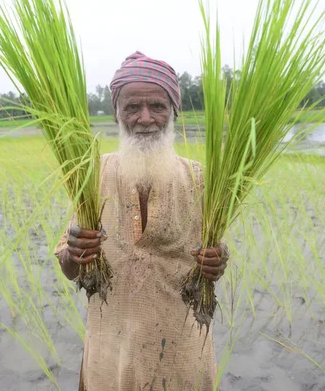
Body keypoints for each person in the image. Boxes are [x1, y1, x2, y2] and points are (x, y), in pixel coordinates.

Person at [54, 51, 228, 390]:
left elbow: (217, 256)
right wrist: (73, 252)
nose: (145, 118)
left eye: (157, 106)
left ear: (174, 111)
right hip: (109, 354)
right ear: (117, 112)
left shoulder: (202, 179)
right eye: (132, 107)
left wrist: (218, 262)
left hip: (181, 353)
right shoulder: (93, 172)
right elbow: (69, 266)